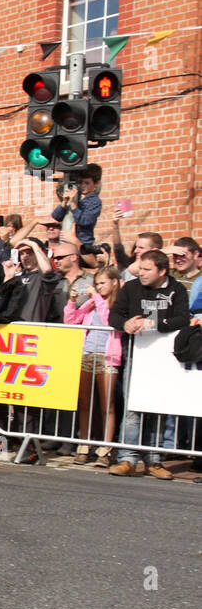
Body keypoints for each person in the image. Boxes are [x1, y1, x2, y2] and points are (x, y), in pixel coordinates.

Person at [108, 250, 191, 479]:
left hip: (164, 358)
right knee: (132, 409)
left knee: (158, 409)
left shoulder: (176, 289)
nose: (141, 273)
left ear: (162, 271)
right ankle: (127, 458)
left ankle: (154, 459)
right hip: (136, 355)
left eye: (147, 270)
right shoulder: (131, 288)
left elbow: (183, 318)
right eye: (140, 269)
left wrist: (152, 322)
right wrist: (124, 324)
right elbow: (113, 315)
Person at [64, 267, 122, 466]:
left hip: (107, 357)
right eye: (97, 284)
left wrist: (96, 297)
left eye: (103, 283)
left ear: (114, 282)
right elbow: (71, 320)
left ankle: (105, 449)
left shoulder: (117, 303)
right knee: (85, 404)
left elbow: (108, 320)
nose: (99, 287)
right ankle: (84, 445)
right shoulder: (91, 304)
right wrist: (72, 301)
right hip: (87, 355)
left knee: (107, 405)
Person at [52, 166, 103, 247]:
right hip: (65, 242)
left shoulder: (95, 201)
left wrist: (72, 204)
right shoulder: (76, 196)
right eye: (80, 182)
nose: (82, 186)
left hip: (82, 244)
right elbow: (56, 217)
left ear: (96, 183)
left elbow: (84, 221)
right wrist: (64, 202)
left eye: (87, 183)